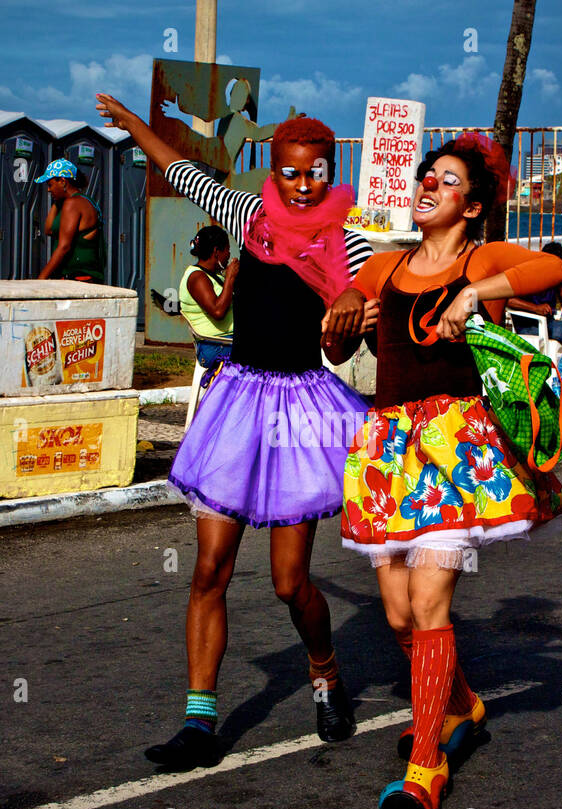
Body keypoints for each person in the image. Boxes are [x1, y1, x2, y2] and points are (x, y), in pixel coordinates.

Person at [97, 93, 376, 769]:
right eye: (290, 172)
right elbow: (185, 173)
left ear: (329, 172)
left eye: (316, 172)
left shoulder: (349, 243)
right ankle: (199, 725)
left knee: (289, 583)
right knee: (208, 569)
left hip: (299, 411)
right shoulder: (249, 217)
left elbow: (347, 341)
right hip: (239, 399)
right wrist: (137, 126)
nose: (304, 185)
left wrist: (349, 307)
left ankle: (326, 672)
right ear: (271, 172)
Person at [324, 134, 562, 809]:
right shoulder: (383, 265)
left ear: (474, 203)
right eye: (427, 175)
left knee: (429, 603)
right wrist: (343, 319)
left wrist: (474, 294)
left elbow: (550, 270)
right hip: (389, 456)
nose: (428, 184)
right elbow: (337, 340)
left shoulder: (479, 256)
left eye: (448, 179)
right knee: (400, 615)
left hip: (455, 456)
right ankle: (462, 705)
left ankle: (426, 763)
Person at [36, 158, 105, 283]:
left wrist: (40, 280)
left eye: (50, 184)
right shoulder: (84, 201)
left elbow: (64, 246)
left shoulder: (73, 204)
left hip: (78, 278)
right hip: (86, 277)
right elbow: (49, 230)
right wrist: (57, 202)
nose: (48, 189)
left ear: (62, 181)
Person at [179, 225, 237, 368]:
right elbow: (217, 311)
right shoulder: (197, 277)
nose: (229, 255)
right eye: (227, 250)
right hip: (216, 346)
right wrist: (229, 278)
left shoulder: (213, 275)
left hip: (226, 342)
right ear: (216, 251)